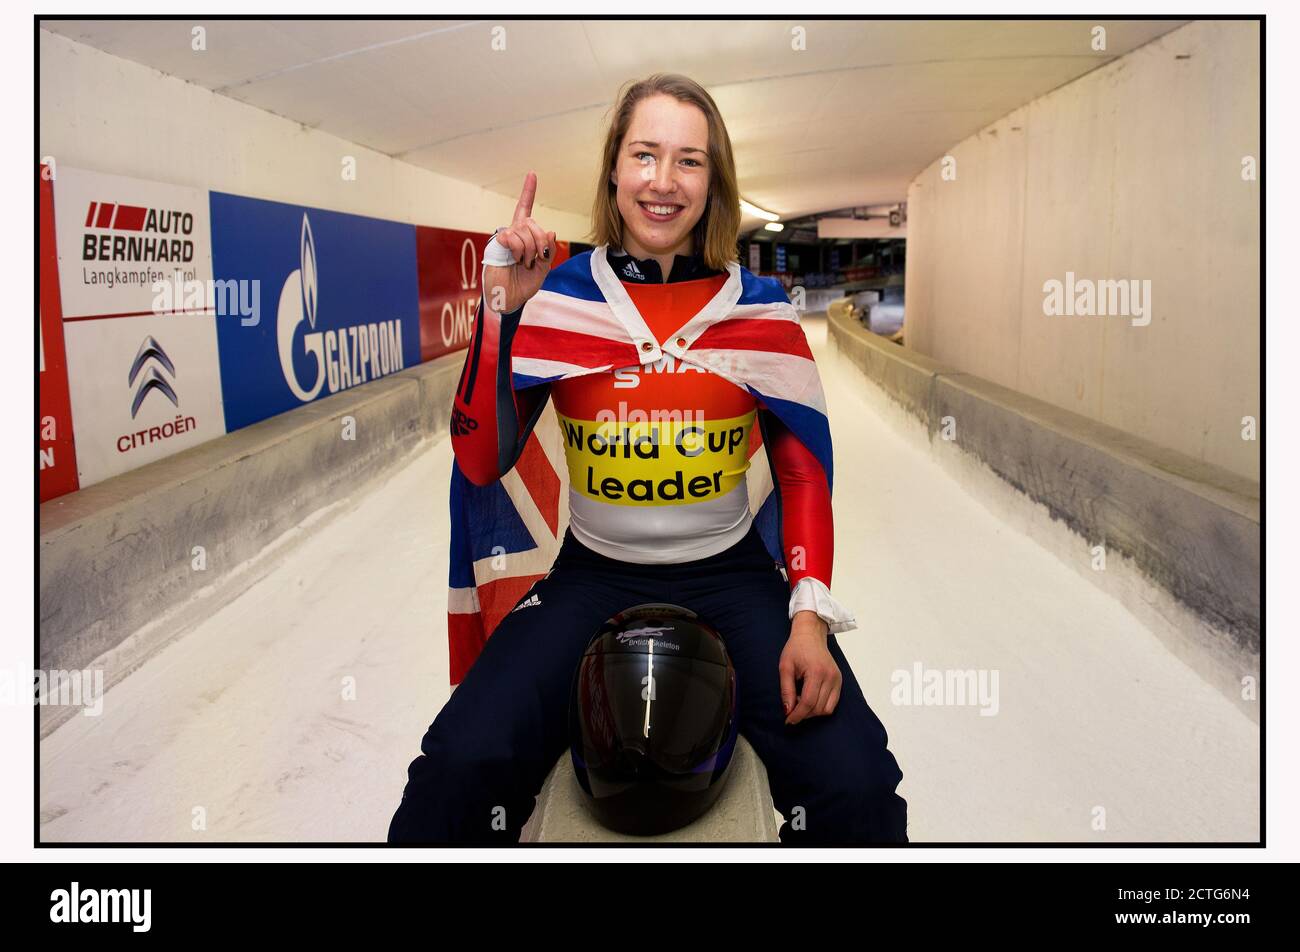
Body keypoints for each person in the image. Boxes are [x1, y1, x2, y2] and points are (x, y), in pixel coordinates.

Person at [388, 73, 907, 844]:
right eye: (645, 155)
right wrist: (503, 312)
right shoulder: (558, 295)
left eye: (689, 161)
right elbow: (481, 459)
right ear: (613, 170)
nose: (663, 182)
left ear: (714, 180)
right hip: (590, 576)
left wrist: (808, 619)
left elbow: (801, 474)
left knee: (858, 784)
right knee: (459, 766)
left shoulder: (760, 309)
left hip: (733, 577)